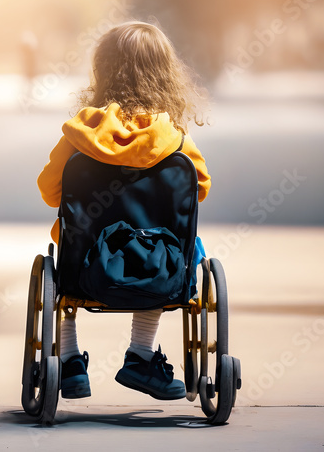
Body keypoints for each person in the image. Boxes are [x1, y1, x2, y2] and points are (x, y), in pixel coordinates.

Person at [36, 21, 211, 400]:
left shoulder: (80, 134)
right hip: (157, 270)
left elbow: (51, 192)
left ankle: (67, 362)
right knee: (188, 249)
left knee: (66, 249)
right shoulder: (175, 139)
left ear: (102, 71)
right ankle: (141, 356)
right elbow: (199, 190)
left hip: (83, 269)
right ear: (166, 74)